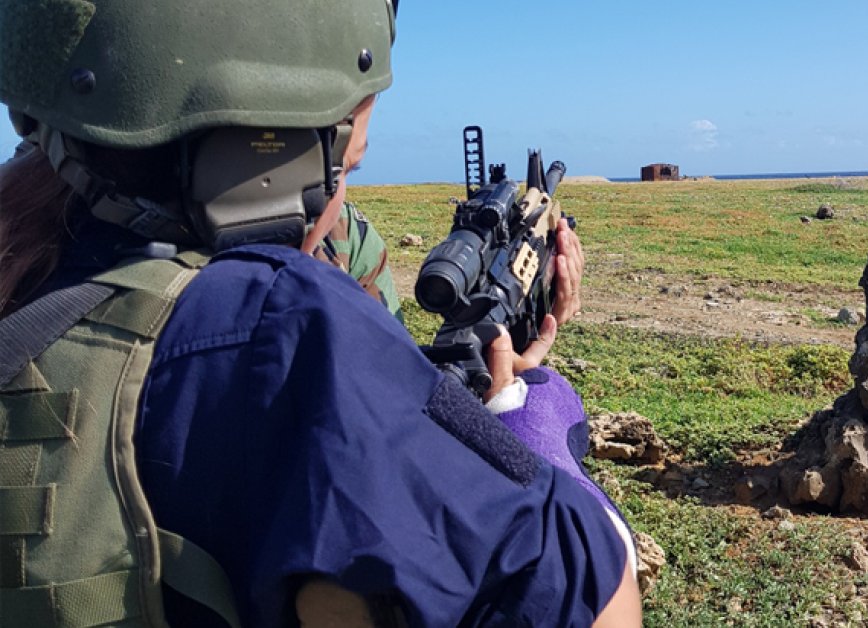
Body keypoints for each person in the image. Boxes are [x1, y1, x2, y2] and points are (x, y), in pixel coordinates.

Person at [0, 1, 640, 627]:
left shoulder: (32, 273)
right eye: (342, 164)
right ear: (259, 169)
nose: (339, 199)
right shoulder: (284, 326)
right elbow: (595, 601)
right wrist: (530, 434)